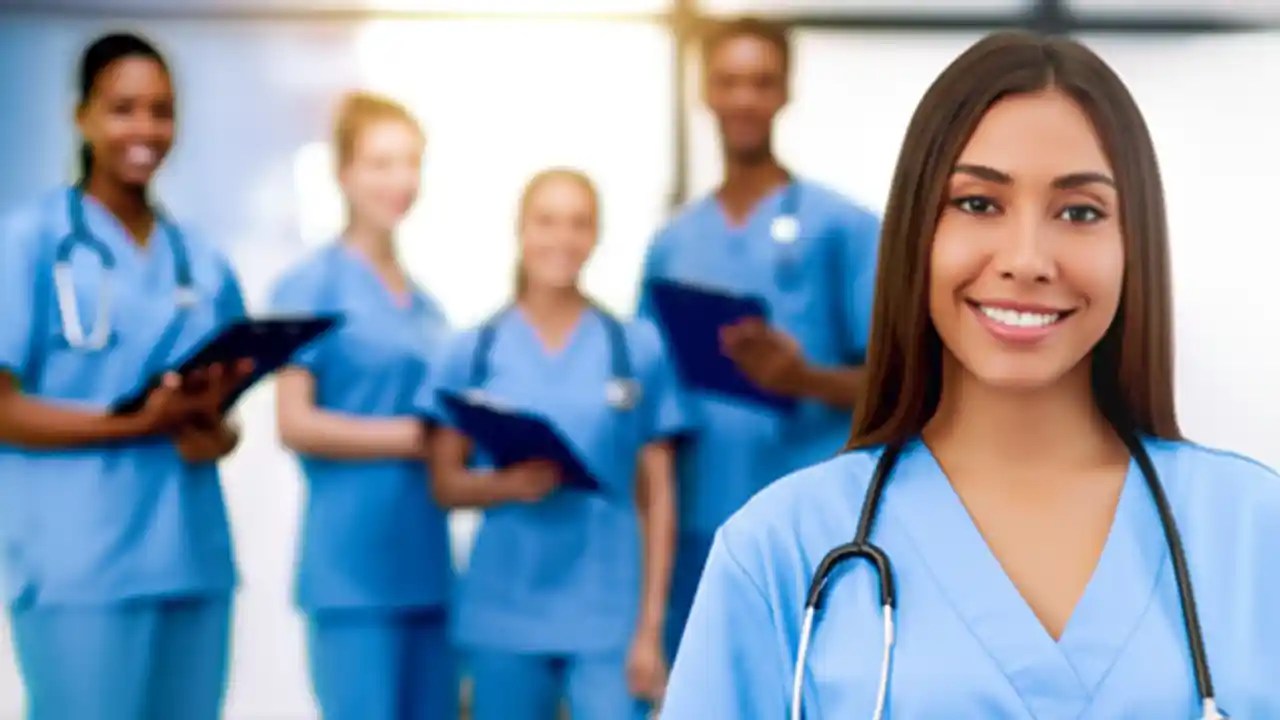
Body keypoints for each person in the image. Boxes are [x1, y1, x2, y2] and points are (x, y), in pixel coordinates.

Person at [660, 30, 1280, 719]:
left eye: (1080, 212)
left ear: (1134, 246)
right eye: (978, 203)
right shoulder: (779, 551)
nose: (1026, 259)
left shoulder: (1256, 531)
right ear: (916, 234)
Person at [0, 32, 253, 720]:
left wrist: (211, 432)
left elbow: (223, 417)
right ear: (81, 116)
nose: (146, 129)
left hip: (190, 557)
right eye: (123, 108)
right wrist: (136, 422)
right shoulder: (28, 242)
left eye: (161, 111)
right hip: (78, 564)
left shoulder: (199, 260)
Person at [636, 17, 881, 660]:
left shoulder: (844, 228)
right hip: (701, 525)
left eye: (762, 82)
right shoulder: (672, 246)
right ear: (705, 92)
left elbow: (900, 382)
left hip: (813, 525)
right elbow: (650, 408)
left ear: (784, 94)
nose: (744, 98)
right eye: (729, 82)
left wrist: (802, 380)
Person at [424, 169, 690, 720]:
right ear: (520, 230)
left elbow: (659, 498)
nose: (561, 239)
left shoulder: (635, 349)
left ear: (596, 236)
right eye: (546, 221)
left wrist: (649, 629)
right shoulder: (473, 350)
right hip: (504, 609)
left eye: (578, 223)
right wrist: (509, 485)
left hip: (606, 610)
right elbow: (445, 485)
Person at [270, 91, 457, 720]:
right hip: (350, 569)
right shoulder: (309, 286)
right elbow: (293, 422)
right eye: (381, 163)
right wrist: (410, 437)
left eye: (411, 163)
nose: (399, 180)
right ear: (344, 172)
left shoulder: (431, 308)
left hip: (426, 564)